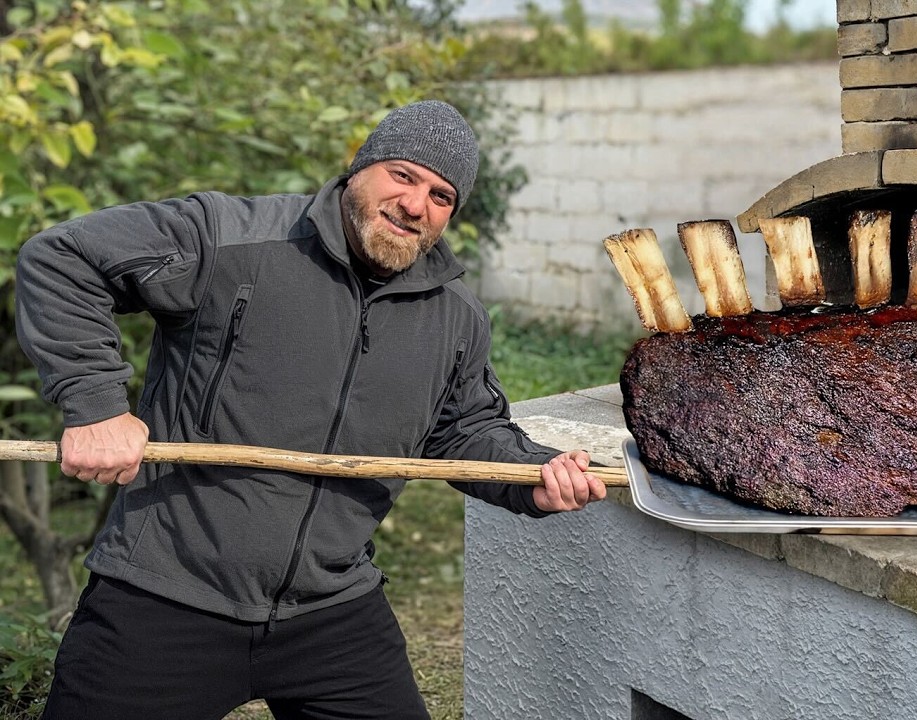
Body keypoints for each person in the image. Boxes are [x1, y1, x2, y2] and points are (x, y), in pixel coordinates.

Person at [15, 100, 608, 719]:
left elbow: (465, 429)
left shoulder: (455, 316)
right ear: (358, 169)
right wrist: (95, 404)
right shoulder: (230, 238)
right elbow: (62, 258)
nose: (416, 205)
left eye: (441, 196)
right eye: (402, 175)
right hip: (164, 596)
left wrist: (533, 475)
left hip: (331, 609)